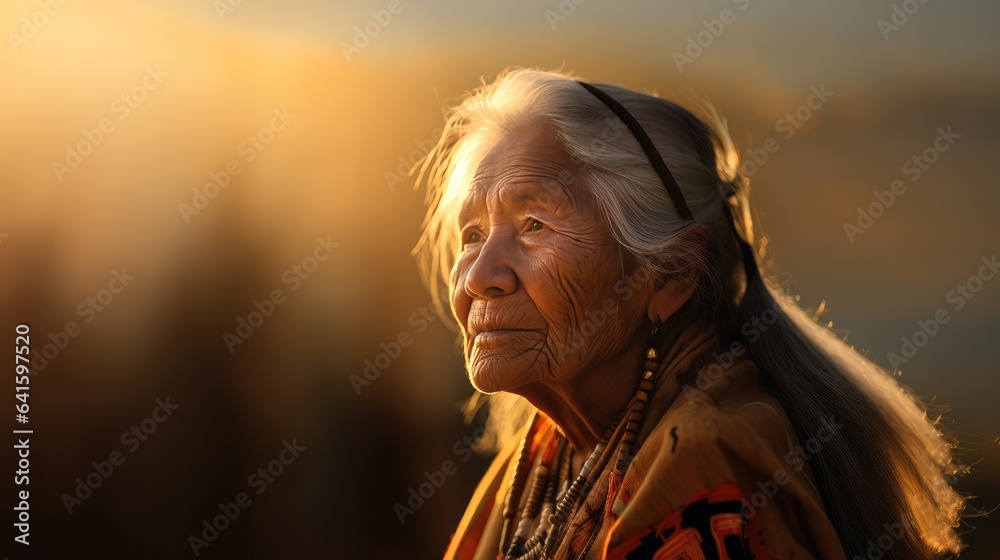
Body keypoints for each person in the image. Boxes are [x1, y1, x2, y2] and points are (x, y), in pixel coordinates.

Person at [414, 68, 965, 559]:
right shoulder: (549, 455)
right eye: (473, 235)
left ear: (672, 274)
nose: (479, 276)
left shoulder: (712, 472)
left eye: (535, 225)